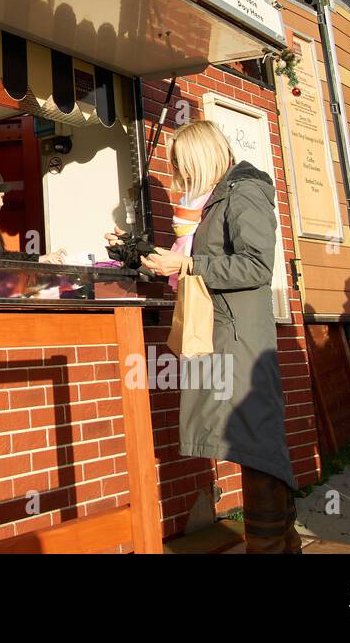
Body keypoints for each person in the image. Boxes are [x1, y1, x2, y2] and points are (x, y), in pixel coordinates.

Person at [108, 120, 299, 554]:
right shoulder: (218, 197)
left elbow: (255, 268)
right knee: (255, 445)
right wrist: (133, 250)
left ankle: (268, 546)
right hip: (225, 334)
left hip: (240, 338)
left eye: (183, 167)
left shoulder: (244, 191)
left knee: (256, 445)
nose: (181, 179)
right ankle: (281, 546)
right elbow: (192, 259)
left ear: (200, 157)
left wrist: (188, 267)